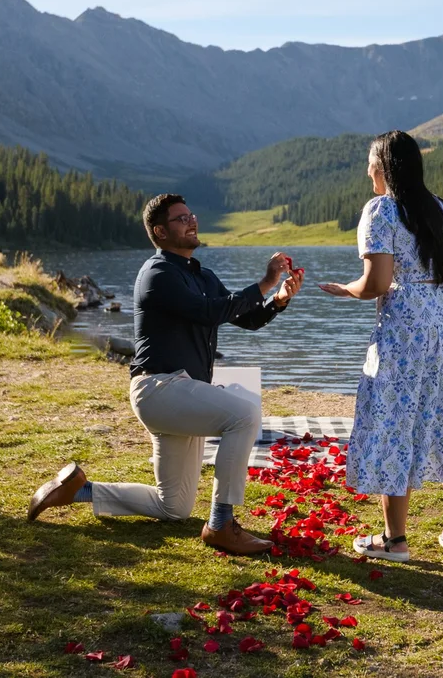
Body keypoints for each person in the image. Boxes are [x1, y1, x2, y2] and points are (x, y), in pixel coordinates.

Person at [28, 193, 303, 555]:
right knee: (244, 415)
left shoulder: (202, 275)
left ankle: (80, 490)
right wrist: (265, 282)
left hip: (183, 393)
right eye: (181, 218)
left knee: (173, 506)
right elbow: (208, 313)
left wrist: (277, 300)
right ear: (160, 231)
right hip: (159, 388)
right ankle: (221, 524)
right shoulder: (157, 274)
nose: (192, 221)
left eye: (192, 215)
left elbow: (246, 318)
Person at [318, 130, 443, 561]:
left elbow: (377, 283)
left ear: (383, 167)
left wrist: (345, 289)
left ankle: (394, 540)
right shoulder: (440, 210)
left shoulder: (381, 210)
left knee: (395, 420)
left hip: (406, 328)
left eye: (370, 163)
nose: (367, 172)